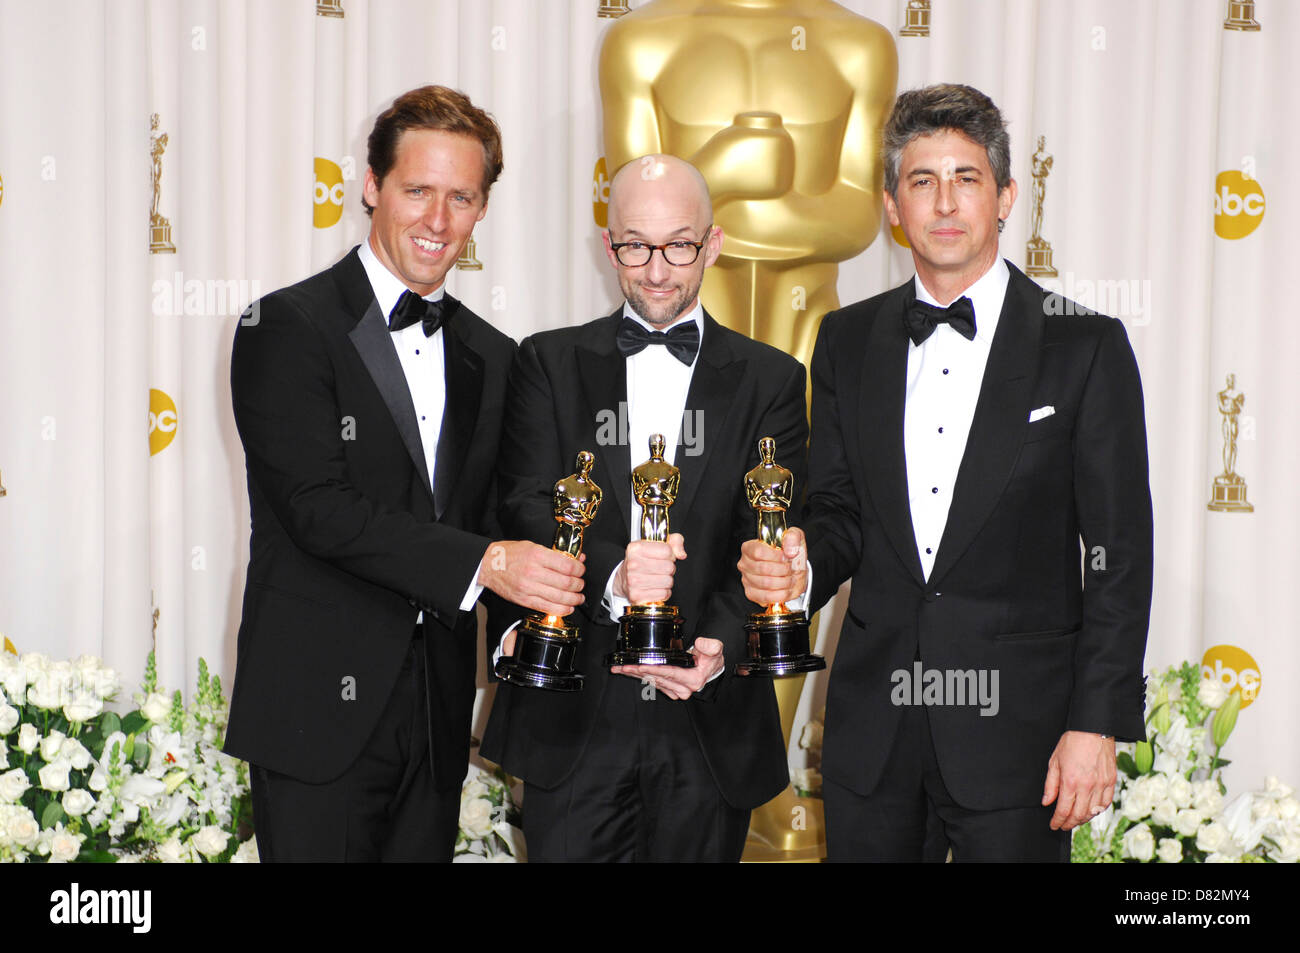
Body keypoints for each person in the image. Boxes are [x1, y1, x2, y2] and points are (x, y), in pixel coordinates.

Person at [739, 84, 1153, 862]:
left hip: (1020, 742)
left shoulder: (1084, 345)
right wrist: (799, 567)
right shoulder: (846, 338)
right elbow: (837, 510)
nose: (945, 201)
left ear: (1005, 197)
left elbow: (1120, 555)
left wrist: (1095, 724)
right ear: (893, 205)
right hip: (873, 734)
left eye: (967, 177)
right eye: (921, 181)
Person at [225, 85, 585, 862]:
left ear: (482, 209)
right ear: (370, 185)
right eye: (417, 190)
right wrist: (488, 562)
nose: (437, 219)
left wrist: (529, 612)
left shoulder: (495, 354)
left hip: (436, 721)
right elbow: (319, 508)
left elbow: (502, 514)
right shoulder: (285, 326)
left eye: (461, 197)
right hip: (315, 715)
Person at [481, 154, 807, 862]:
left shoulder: (772, 379)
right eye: (635, 244)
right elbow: (526, 505)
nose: (657, 269)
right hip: (574, 708)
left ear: (712, 244)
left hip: (707, 713)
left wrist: (719, 642)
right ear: (609, 245)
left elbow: (769, 534)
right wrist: (614, 578)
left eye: (679, 245)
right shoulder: (546, 362)